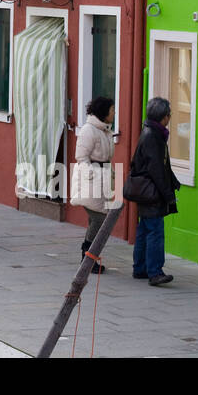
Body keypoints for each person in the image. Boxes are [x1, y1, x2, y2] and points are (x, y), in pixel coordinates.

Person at [129, 97, 181, 287]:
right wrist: (168, 194)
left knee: (144, 229)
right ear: (163, 117)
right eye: (169, 114)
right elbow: (157, 169)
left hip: (146, 191)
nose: (170, 118)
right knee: (155, 231)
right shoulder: (154, 136)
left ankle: (140, 268)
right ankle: (155, 272)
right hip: (151, 192)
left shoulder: (149, 133)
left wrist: (172, 181)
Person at [72, 96, 117, 275]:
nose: (114, 113)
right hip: (91, 180)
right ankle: (87, 254)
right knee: (99, 219)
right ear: (103, 112)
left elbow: (107, 157)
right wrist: (92, 175)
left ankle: (88, 258)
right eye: (112, 110)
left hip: (104, 178)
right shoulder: (89, 130)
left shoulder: (106, 131)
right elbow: (81, 157)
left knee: (96, 219)